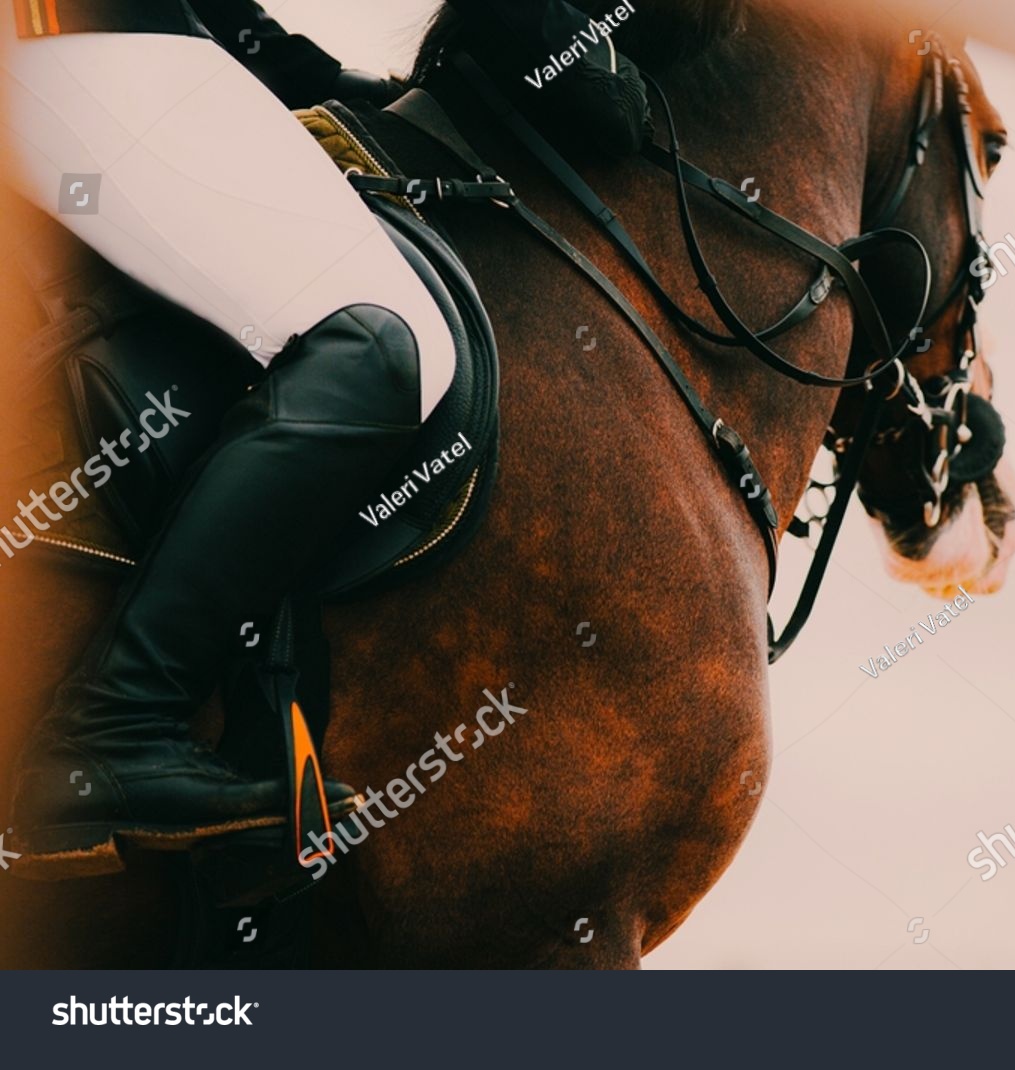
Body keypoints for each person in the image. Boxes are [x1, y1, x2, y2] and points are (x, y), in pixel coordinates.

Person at [2, 0, 648, 876]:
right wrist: (572, 55)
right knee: (382, 344)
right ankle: (114, 730)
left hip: (132, 49)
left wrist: (308, 75)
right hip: (57, 49)